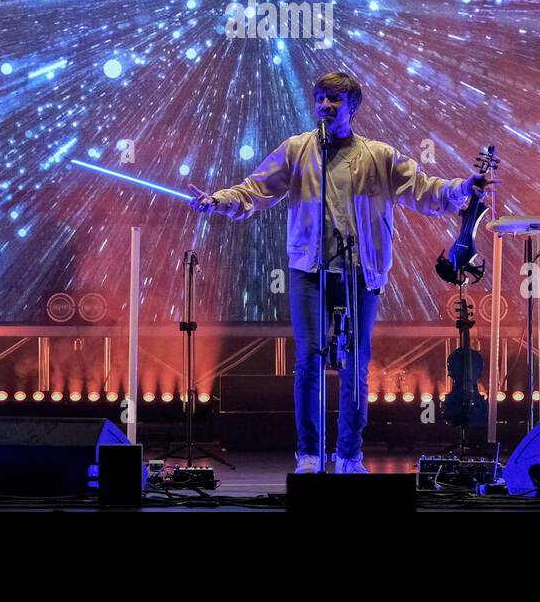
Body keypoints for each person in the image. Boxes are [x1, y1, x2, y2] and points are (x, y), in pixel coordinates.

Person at [188, 71, 487, 474]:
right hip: (310, 270)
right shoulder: (296, 150)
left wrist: (462, 189)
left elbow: (424, 189)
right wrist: (219, 200)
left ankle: (349, 455)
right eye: (320, 99)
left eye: (334, 100)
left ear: (352, 108)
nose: (325, 106)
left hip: (360, 271)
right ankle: (309, 453)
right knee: (309, 359)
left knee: (356, 362)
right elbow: (254, 190)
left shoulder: (379, 155)